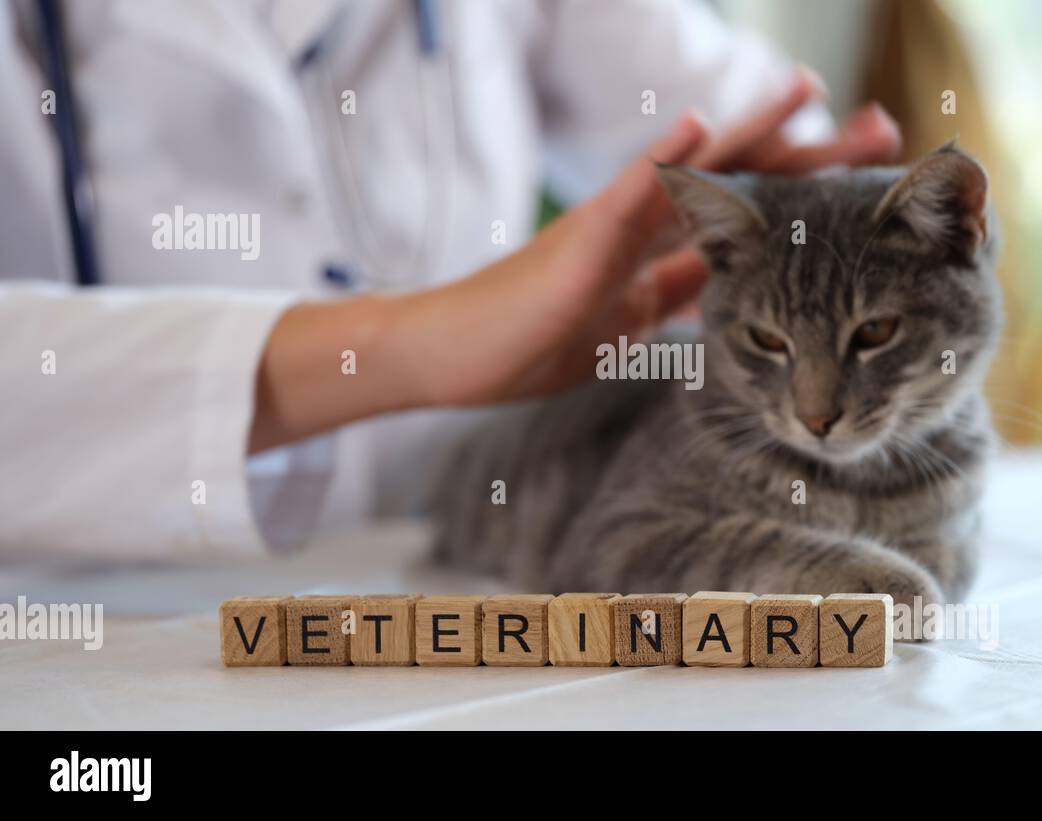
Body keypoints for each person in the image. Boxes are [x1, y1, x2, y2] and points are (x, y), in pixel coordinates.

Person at [0, 0, 901, 560]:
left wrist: (795, 229)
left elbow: (744, 118)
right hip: (95, 603)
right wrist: (423, 345)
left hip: (447, 554)